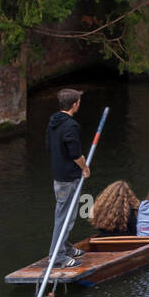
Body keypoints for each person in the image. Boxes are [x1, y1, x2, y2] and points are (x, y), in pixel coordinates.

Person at [46, 88, 90, 267]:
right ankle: (57, 256)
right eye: (78, 102)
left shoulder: (52, 122)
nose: (79, 104)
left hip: (58, 175)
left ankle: (64, 246)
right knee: (65, 217)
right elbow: (75, 153)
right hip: (69, 176)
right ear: (74, 105)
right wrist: (85, 167)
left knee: (63, 214)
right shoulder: (71, 126)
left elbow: (49, 147)